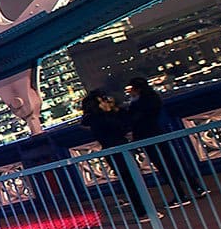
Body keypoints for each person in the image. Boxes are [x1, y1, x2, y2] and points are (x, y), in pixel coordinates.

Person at [125, 76, 206, 205]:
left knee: (164, 167)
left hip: (146, 137)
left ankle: (180, 195)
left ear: (137, 89)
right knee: (173, 163)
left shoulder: (138, 103)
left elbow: (133, 119)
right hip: (159, 133)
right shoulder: (153, 98)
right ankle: (197, 188)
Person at [80, 89, 150, 218]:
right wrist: (112, 112)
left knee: (129, 181)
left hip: (111, 151)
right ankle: (143, 210)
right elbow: (122, 125)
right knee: (133, 180)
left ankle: (141, 209)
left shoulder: (93, 119)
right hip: (119, 148)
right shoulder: (103, 118)